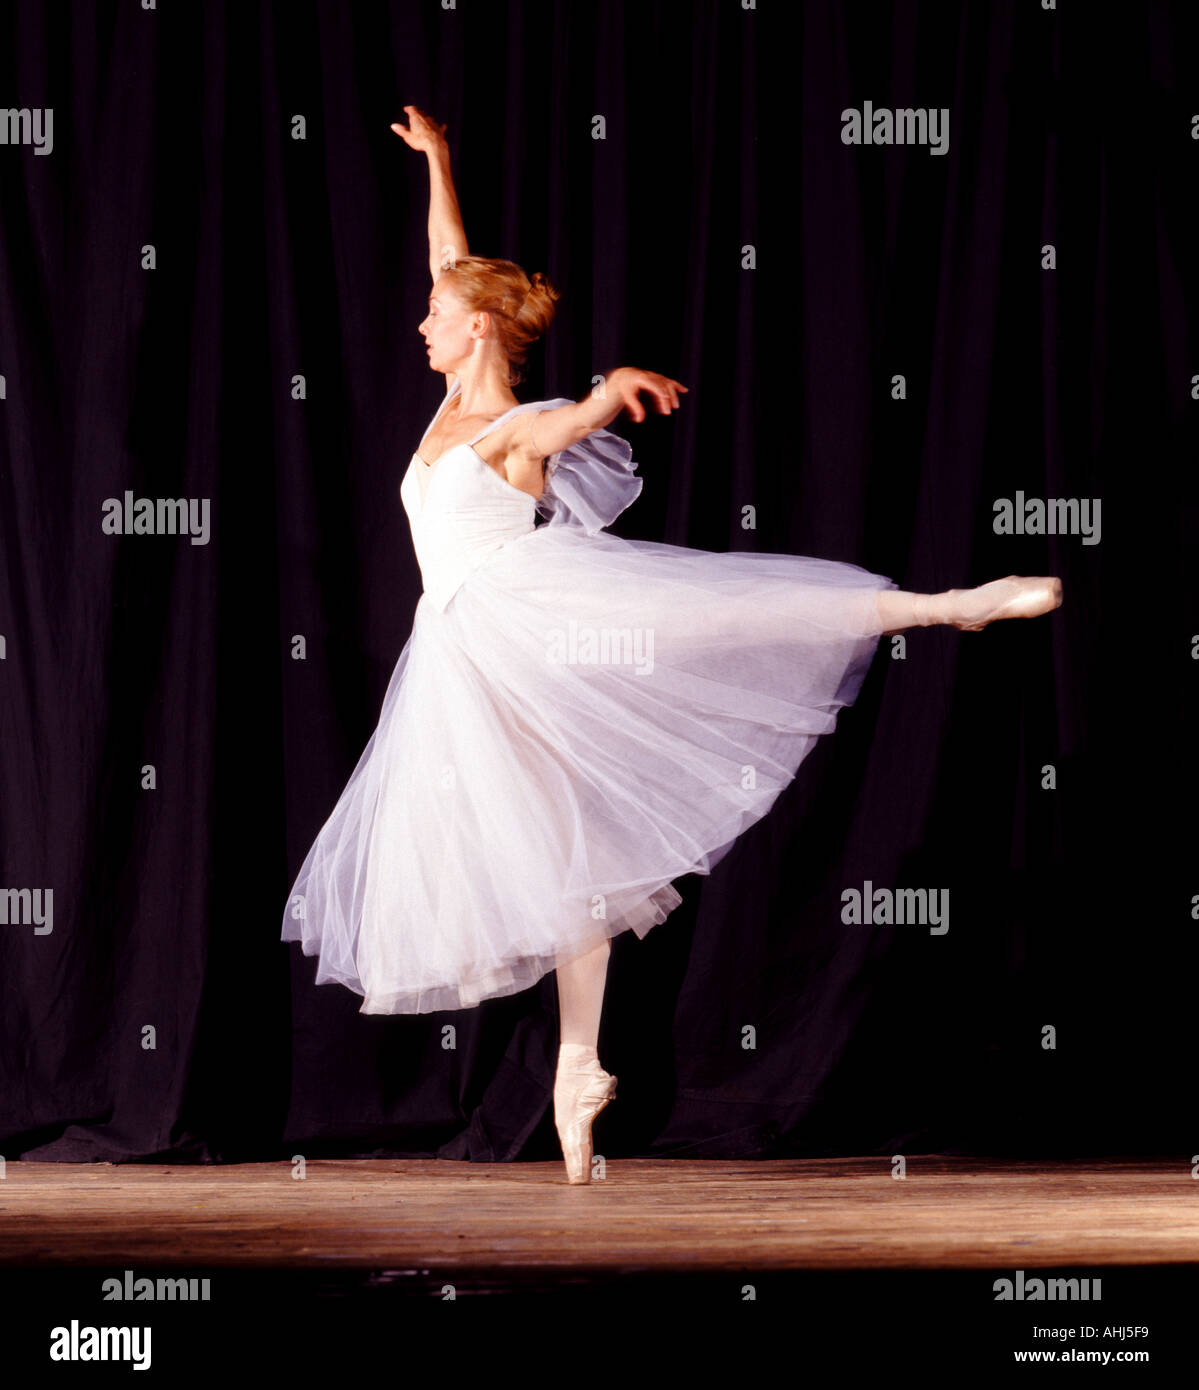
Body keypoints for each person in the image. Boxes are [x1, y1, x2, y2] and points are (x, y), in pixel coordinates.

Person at [282, 106, 1063, 1185]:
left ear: (475, 333)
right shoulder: (452, 398)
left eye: (434, 312)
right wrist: (442, 161)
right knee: (558, 859)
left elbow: (560, 425)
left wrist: (607, 390)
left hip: (533, 619)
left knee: (742, 612)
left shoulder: (510, 427)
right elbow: (452, 259)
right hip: (464, 656)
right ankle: (575, 1071)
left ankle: (945, 606)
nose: (420, 318)